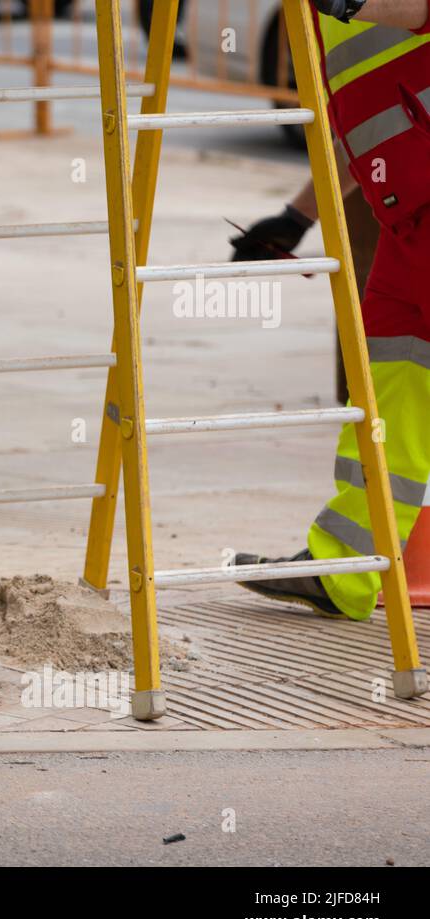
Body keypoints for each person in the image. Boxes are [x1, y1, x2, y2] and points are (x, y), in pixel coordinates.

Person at [232, 0, 430, 619]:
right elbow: (366, 122)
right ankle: (346, 569)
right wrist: (296, 217)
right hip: (409, 219)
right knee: (387, 389)